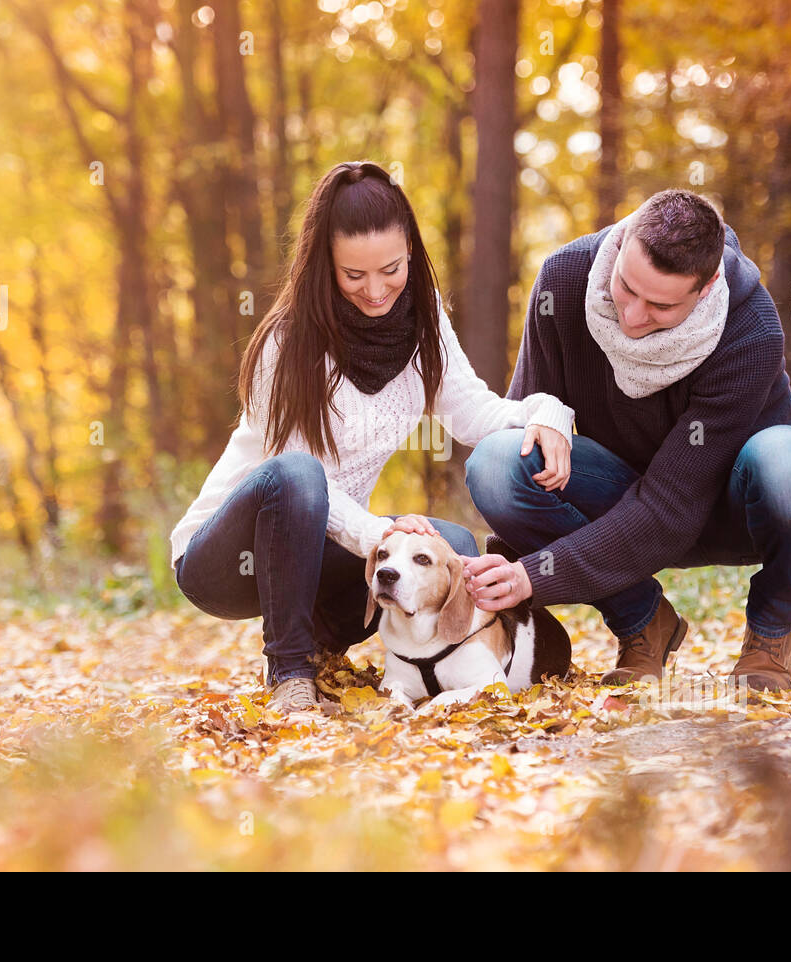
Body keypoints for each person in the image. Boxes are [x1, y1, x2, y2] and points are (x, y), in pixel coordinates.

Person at [170, 161, 575, 714]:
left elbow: (472, 414)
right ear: (323, 265)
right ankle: (289, 673)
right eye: (353, 275)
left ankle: (343, 651)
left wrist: (548, 411)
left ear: (410, 249)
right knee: (299, 476)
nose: (377, 290)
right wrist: (379, 530)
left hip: (321, 547)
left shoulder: (424, 319)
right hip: (225, 557)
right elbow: (296, 475)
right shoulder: (287, 344)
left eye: (391, 268)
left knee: (449, 545)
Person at [461, 188, 791, 692]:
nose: (633, 317)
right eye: (625, 288)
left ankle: (770, 638)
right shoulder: (564, 281)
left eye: (660, 305)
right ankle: (643, 622)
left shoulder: (751, 327)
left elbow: (672, 505)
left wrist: (537, 576)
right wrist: (513, 564)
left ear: (705, 290)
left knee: (788, 464)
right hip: (621, 494)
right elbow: (523, 420)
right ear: (618, 250)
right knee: (497, 461)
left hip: (733, 504)